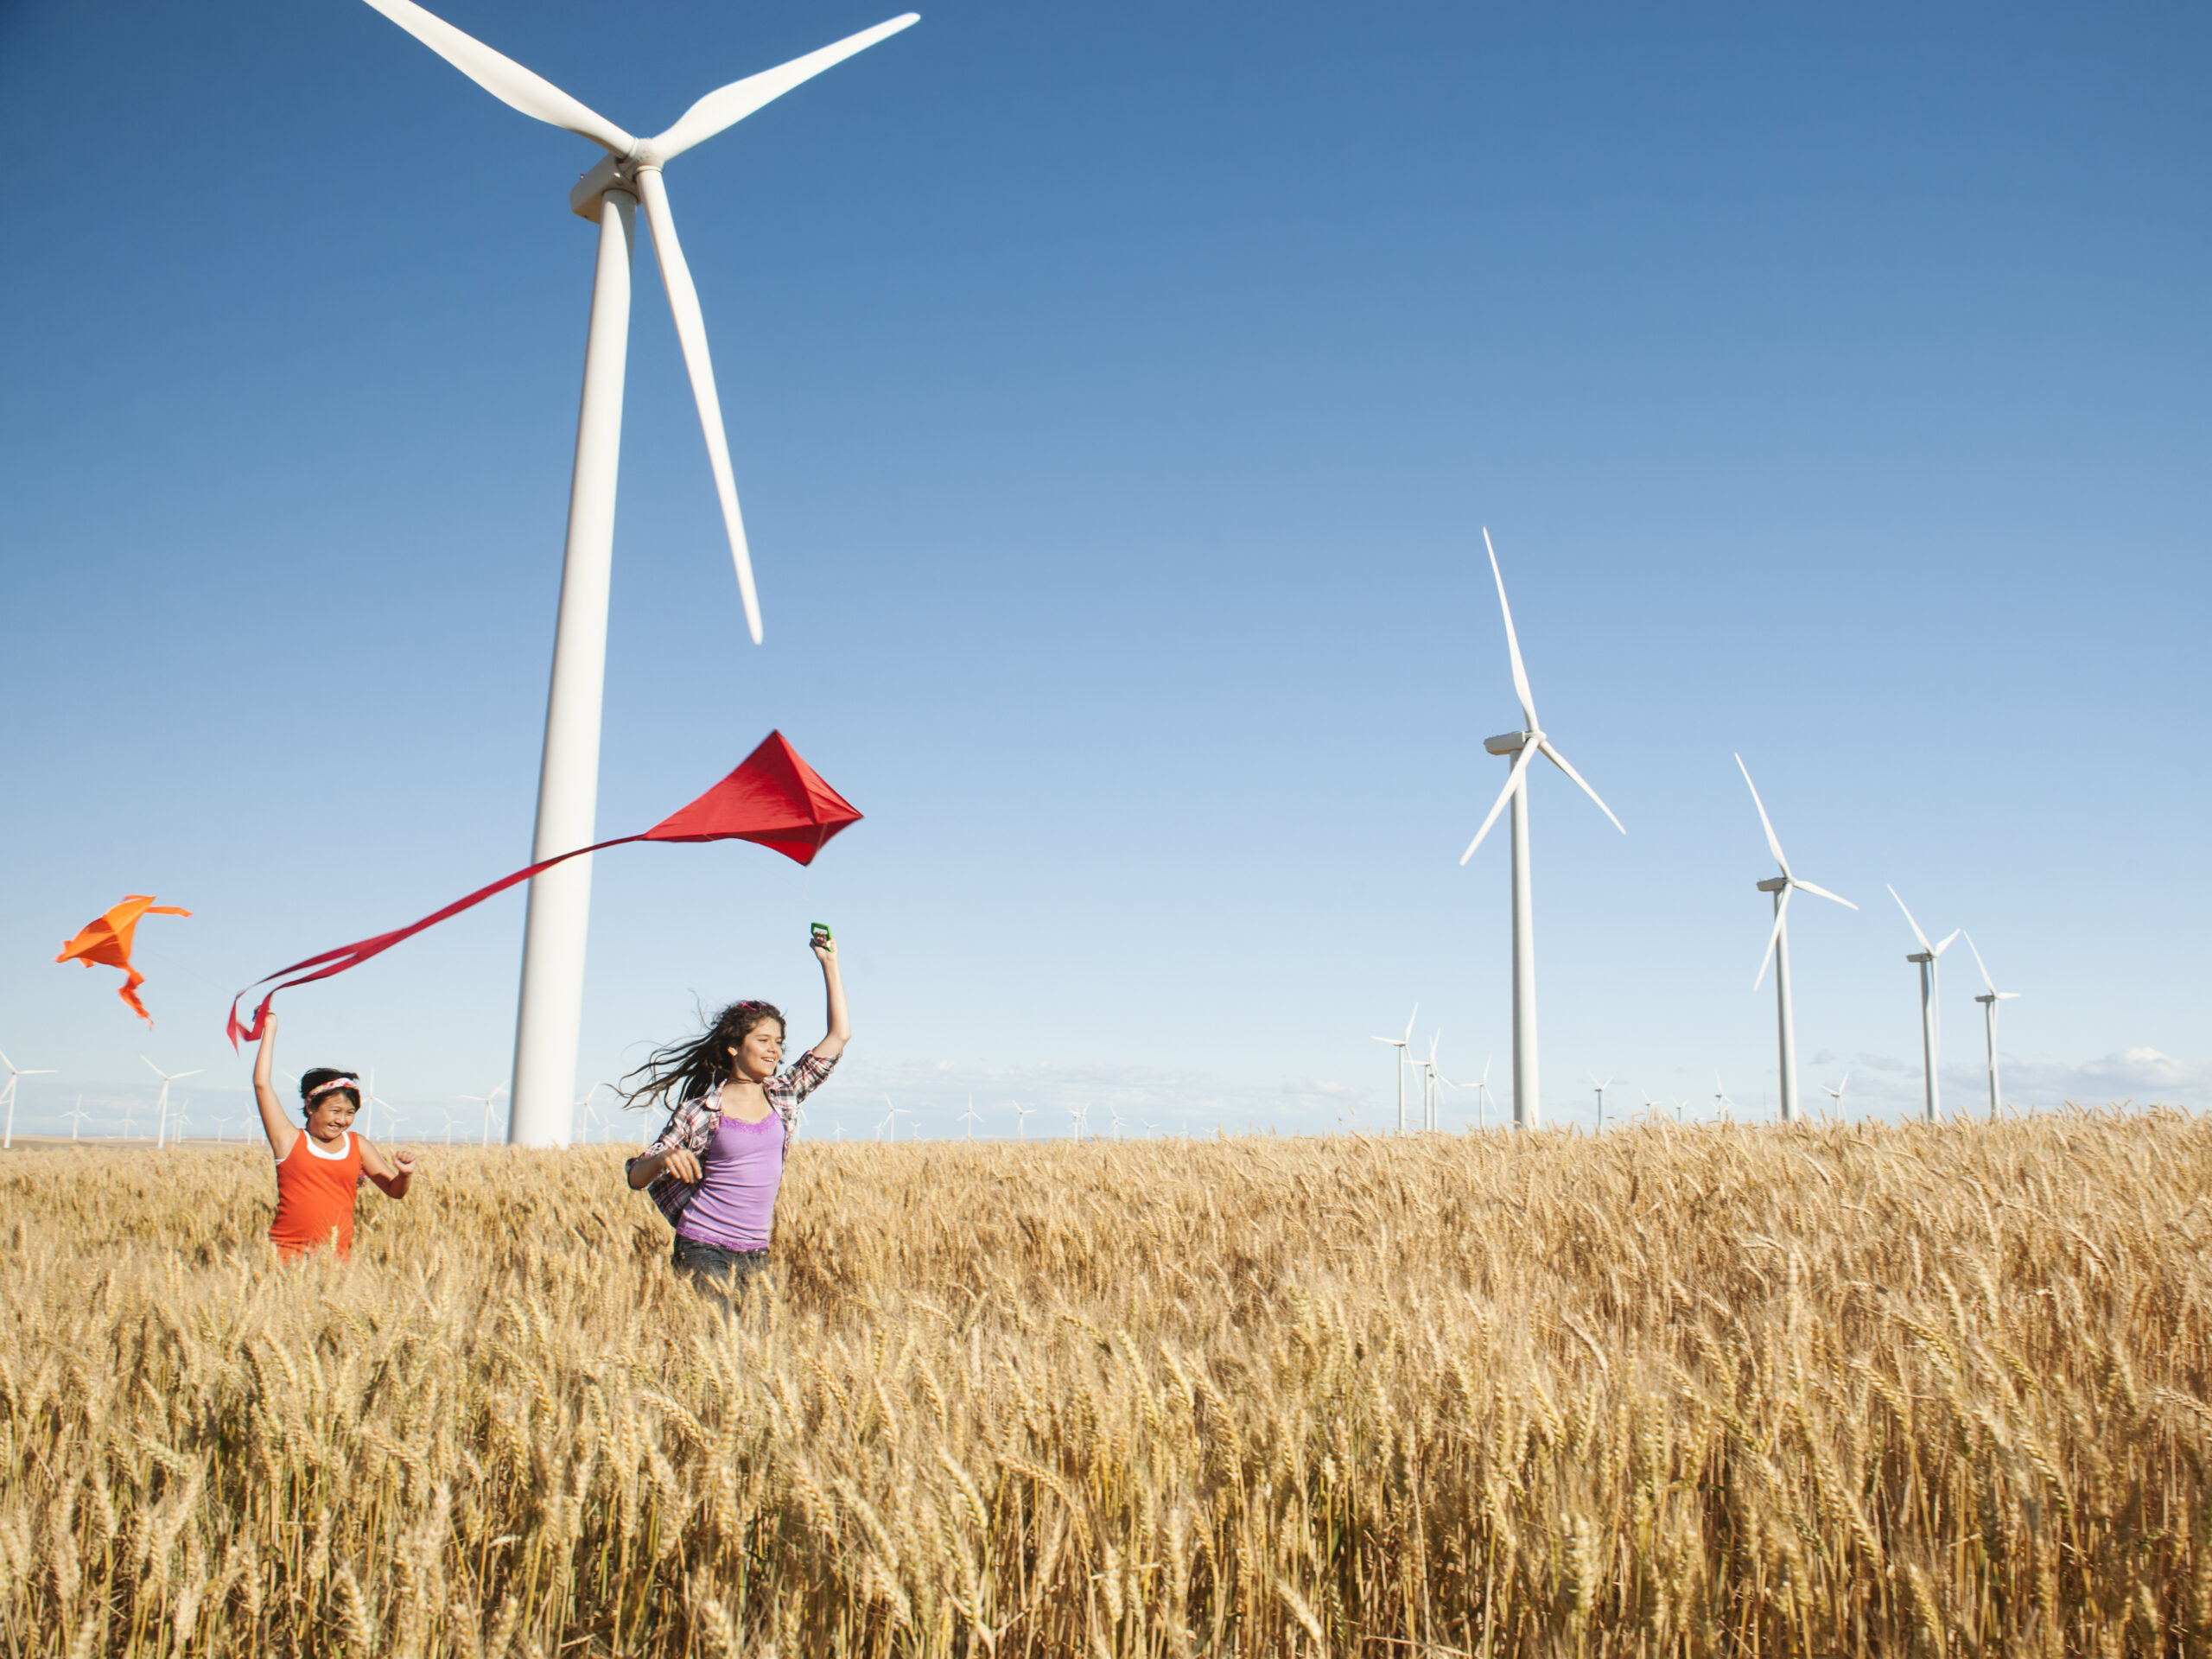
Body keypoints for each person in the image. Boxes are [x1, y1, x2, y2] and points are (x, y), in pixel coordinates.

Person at [624, 927, 849, 1306]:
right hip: (703, 1247)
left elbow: (839, 1036)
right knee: (716, 1350)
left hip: (757, 1252)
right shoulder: (701, 1111)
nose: (774, 1051)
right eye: (763, 1041)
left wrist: (830, 964)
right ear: (733, 1047)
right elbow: (635, 1176)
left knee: (756, 1353)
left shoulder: (784, 1094)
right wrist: (664, 1158)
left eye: (778, 1043)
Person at [251, 1014, 415, 1260]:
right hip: (285, 1258)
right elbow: (262, 1084)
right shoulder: (288, 1140)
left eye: (350, 1113)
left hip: (335, 1261)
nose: (342, 1120)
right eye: (335, 1111)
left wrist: (405, 1174)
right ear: (310, 1106)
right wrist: (270, 1029)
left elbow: (395, 1191)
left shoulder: (357, 1145)